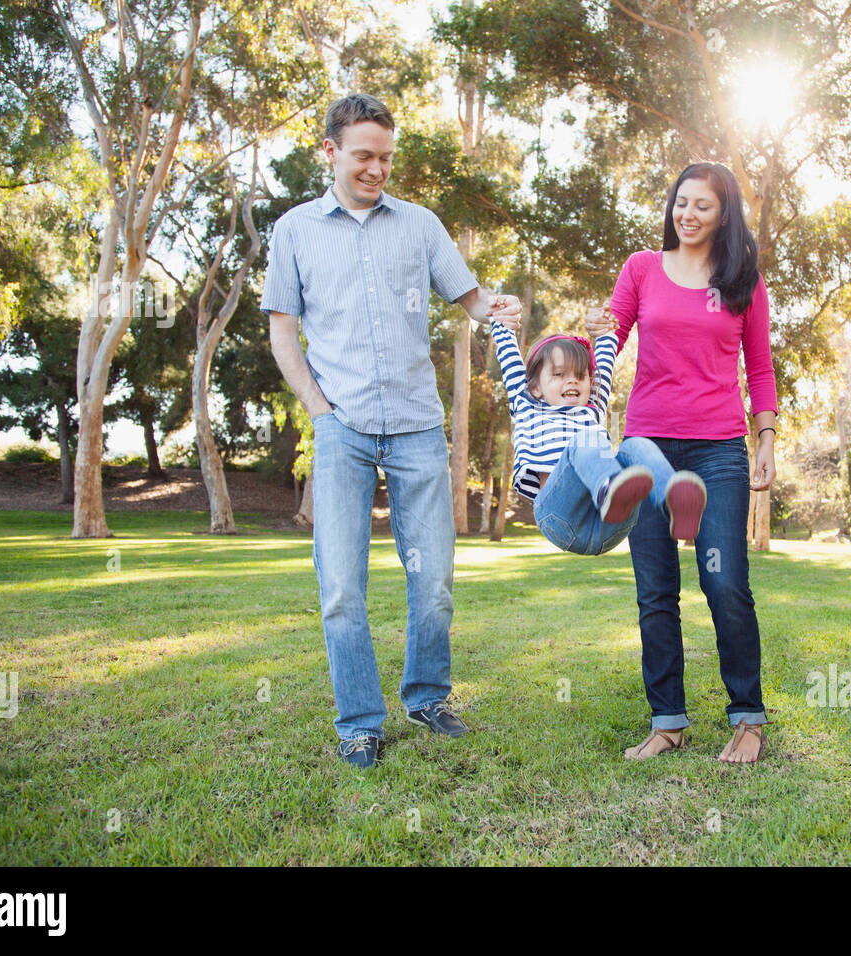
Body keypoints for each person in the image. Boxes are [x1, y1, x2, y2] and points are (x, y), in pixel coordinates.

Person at [261, 93, 521, 769]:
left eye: (386, 158)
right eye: (364, 156)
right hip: (340, 425)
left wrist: (493, 306)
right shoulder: (294, 231)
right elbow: (282, 331)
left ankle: (427, 696)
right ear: (331, 152)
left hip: (414, 425)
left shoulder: (419, 225)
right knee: (342, 586)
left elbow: (467, 298)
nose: (377, 169)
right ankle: (360, 723)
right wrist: (318, 411)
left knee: (433, 577)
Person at [587, 162, 778, 765]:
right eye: (681, 202)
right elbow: (611, 339)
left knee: (723, 581)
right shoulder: (642, 268)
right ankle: (668, 720)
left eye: (703, 206)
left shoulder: (743, 278)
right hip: (646, 450)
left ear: (724, 216)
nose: (687, 214)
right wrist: (592, 344)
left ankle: (747, 718)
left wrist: (766, 437)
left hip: (718, 452)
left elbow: (760, 368)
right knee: (655, 588)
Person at [489, 320, 706, 555]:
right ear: (535, 388)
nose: (571, 380)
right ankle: (608, 488)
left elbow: (605, 361)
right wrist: (501, 322)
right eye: (559, 374)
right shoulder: (528, 406)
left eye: (580, 375)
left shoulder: (593, 408)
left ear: (590, 383)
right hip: (559, 516)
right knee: (585, 440)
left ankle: (673, 501)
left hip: (609, 527)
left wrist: (606, 334)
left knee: (636, 444)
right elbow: (509, 359)